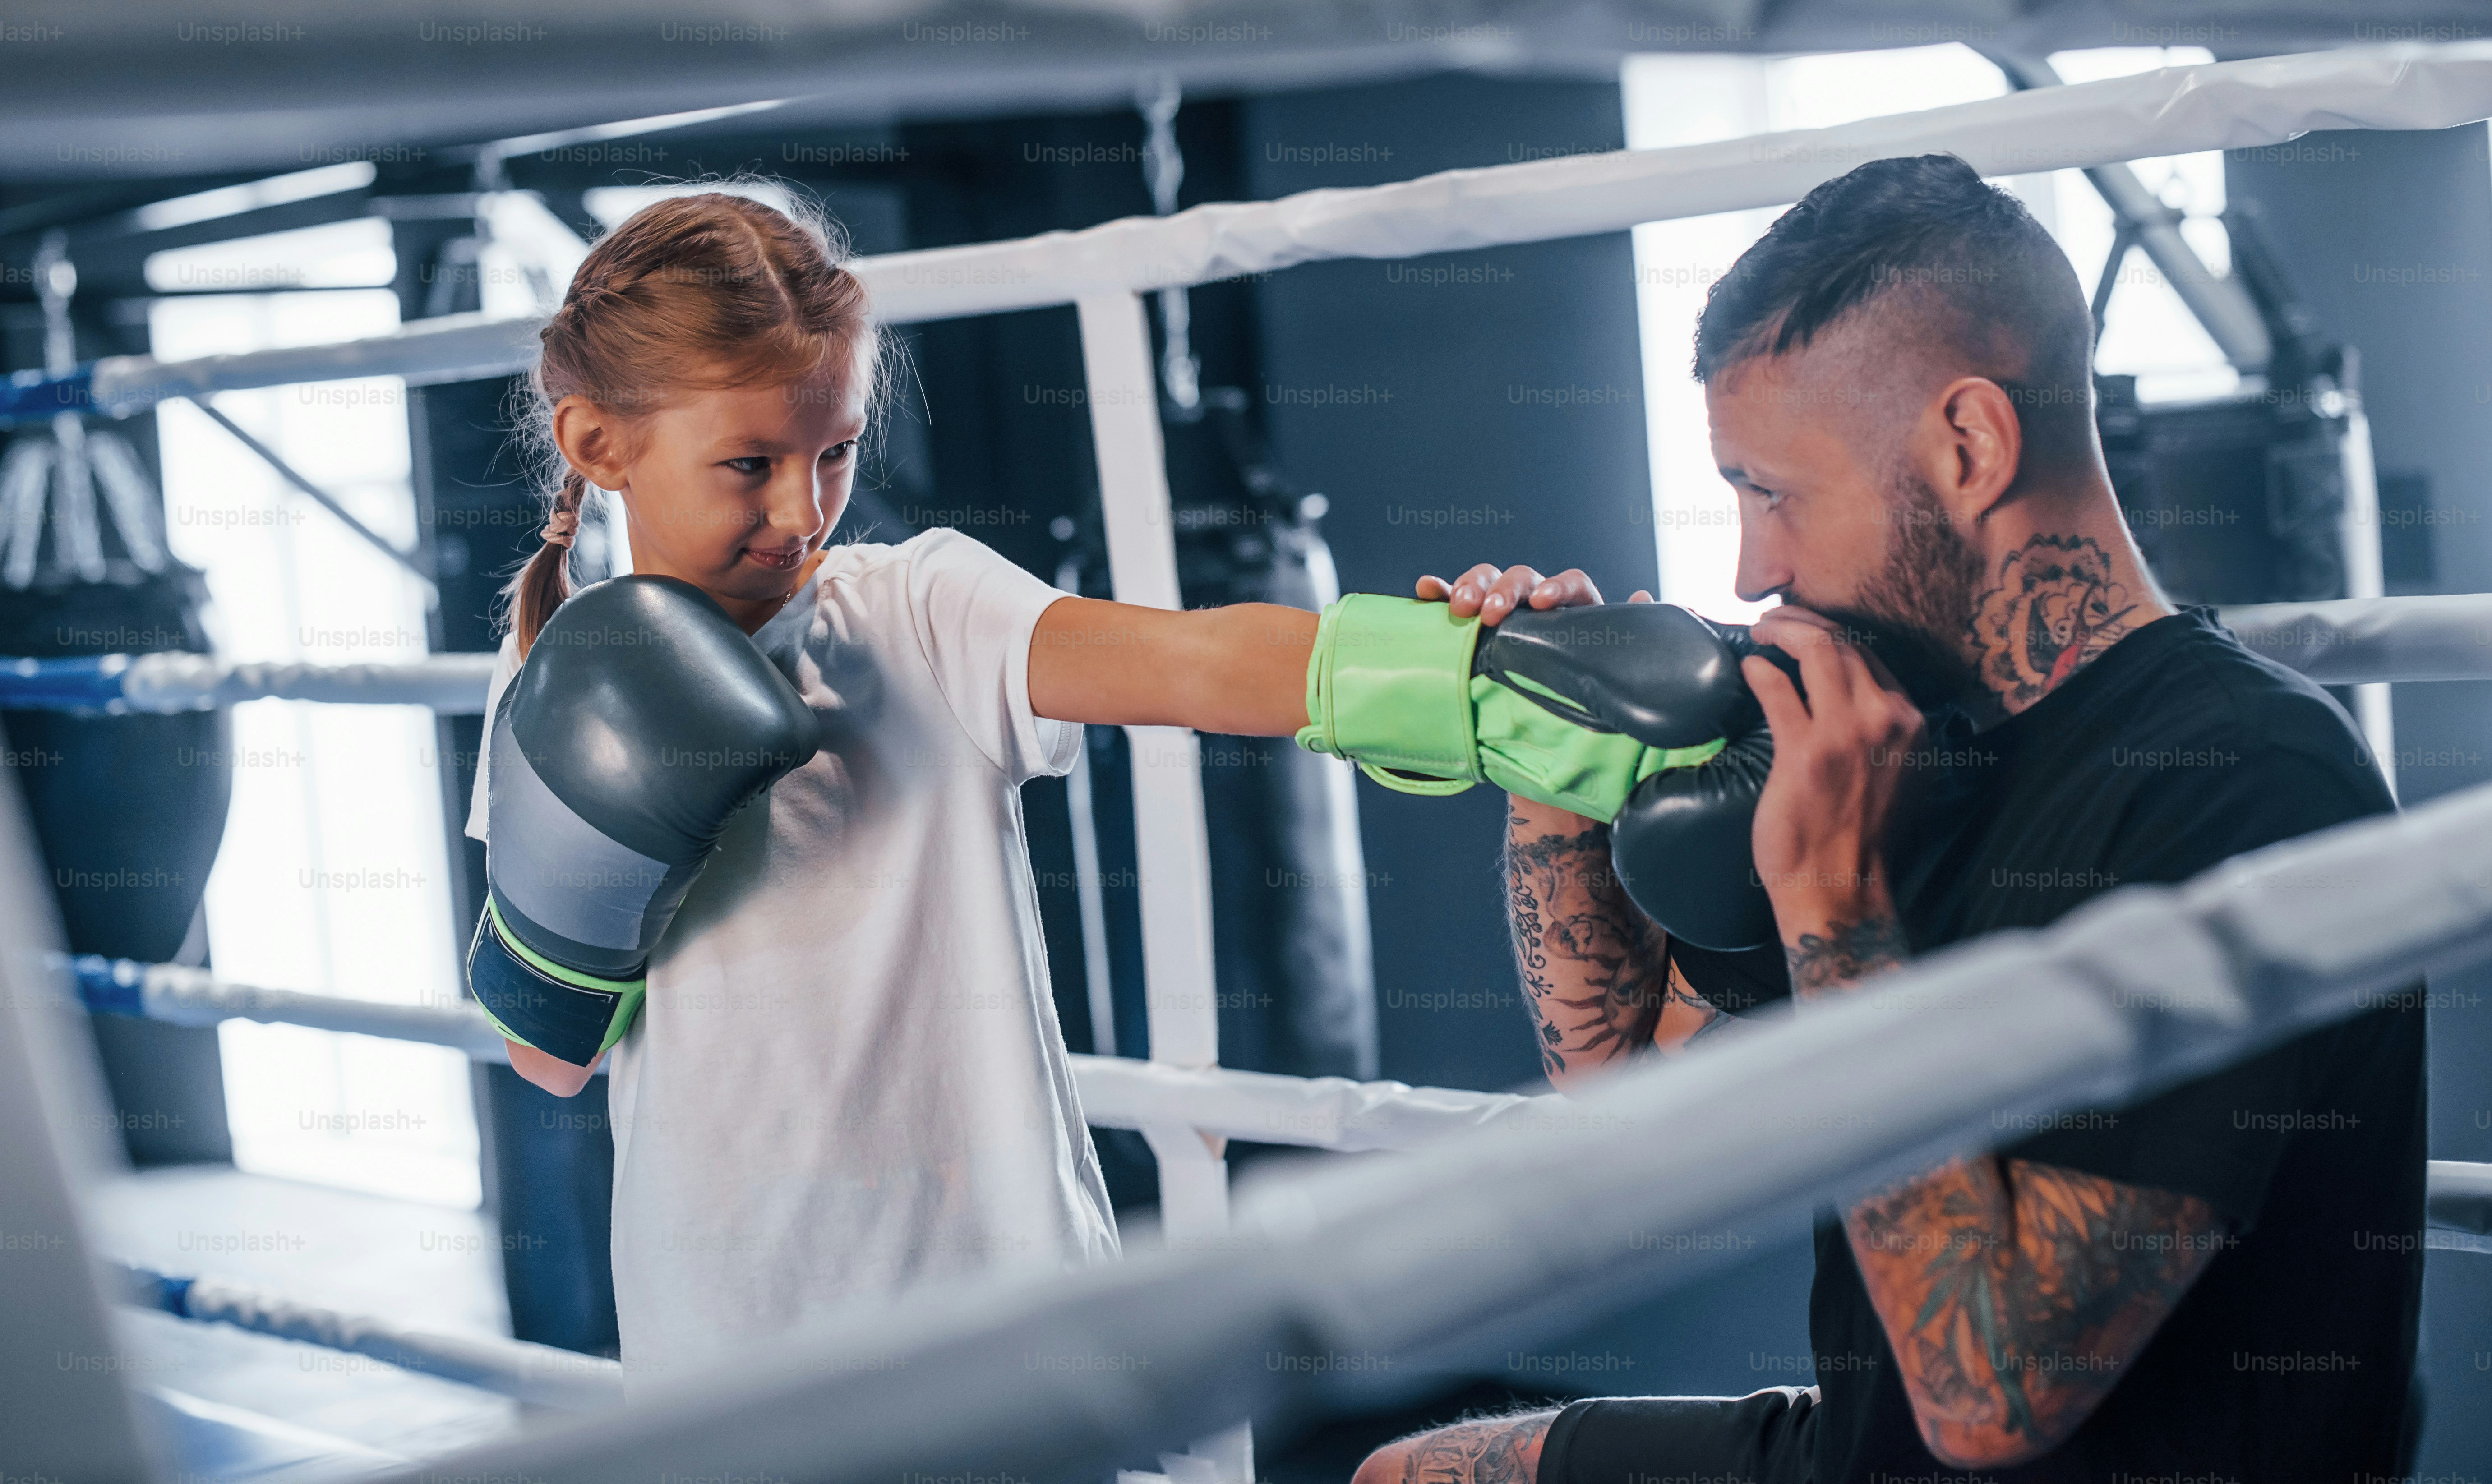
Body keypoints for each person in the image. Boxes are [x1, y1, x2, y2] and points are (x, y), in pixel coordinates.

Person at [1355, 155, 2424, 1484]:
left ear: (1965, 445)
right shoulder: (1887, 732)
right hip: (1861, 1453)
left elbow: (1991, 1396)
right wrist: (1553, 759)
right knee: (1408, 1477)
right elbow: (1619, 1092)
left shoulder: (2247, 782)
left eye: (1772, 493)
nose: (1751, 565)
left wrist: (1835, 913)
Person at [465, 190, 1324, 1383]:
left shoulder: (919, 610)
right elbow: (549, 1053)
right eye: (750, 464)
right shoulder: (545, 670)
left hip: (1002, 1331)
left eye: (836, 452)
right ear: (601, 444)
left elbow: (1197, 660)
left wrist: (1468, 668)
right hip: (727, 1342)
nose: (802, 511)